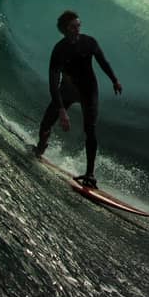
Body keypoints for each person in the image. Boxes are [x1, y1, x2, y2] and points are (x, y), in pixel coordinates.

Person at [34, 10, 122, 185]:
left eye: (78, 25)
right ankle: (41, 147)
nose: (77, 29)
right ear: (65, 29)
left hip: (89, 90)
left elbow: (103, 62)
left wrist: (114, 80)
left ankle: (90, 174)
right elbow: (53, 82)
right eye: (73, 27)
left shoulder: (89, 42)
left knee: (90, 130)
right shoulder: (59, 50)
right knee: (45, 124)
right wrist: (61, 111)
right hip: (67, 90)